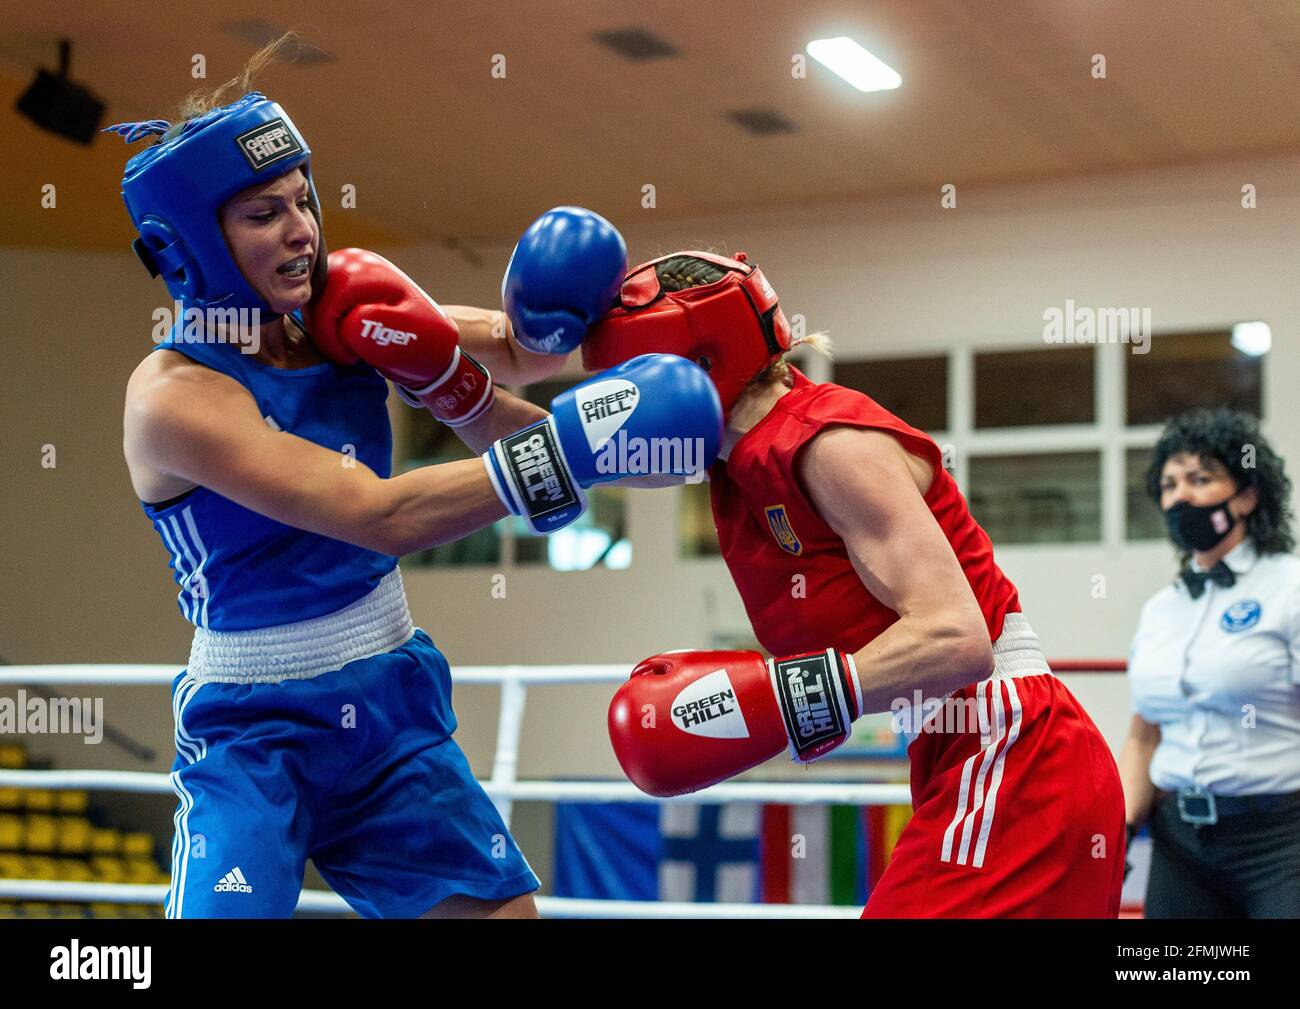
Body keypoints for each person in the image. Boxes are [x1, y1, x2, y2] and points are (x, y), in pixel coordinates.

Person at [107, 46, 720, 918]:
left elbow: (513, 346)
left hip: (387, 705)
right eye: (260, 213)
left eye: (302, 200)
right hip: (253, 732)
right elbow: (378, 516)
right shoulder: (174, 399)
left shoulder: (343, 306)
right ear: (189, 243)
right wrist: (577, 446)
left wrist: (566, 304)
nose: (300, 231)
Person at [581, 250, 1126, 917]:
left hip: (1011, 747)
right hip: (966, 747)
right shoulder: (735, 466)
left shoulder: (828, 444)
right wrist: (457, 379)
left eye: (624, 388)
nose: (615, 413)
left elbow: (959, 637)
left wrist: (781, 702)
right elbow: (566, 457)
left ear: (694, 367)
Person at [1120, 408, 1300, 918]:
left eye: (1201, 479)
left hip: (1280, 841)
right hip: (1180, 843)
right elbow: (1143, 735)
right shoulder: (1161, 609)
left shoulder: (1289, 587)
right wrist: (1119, 833)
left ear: (1246, 495)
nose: (1182, 496)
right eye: (1170, 483)